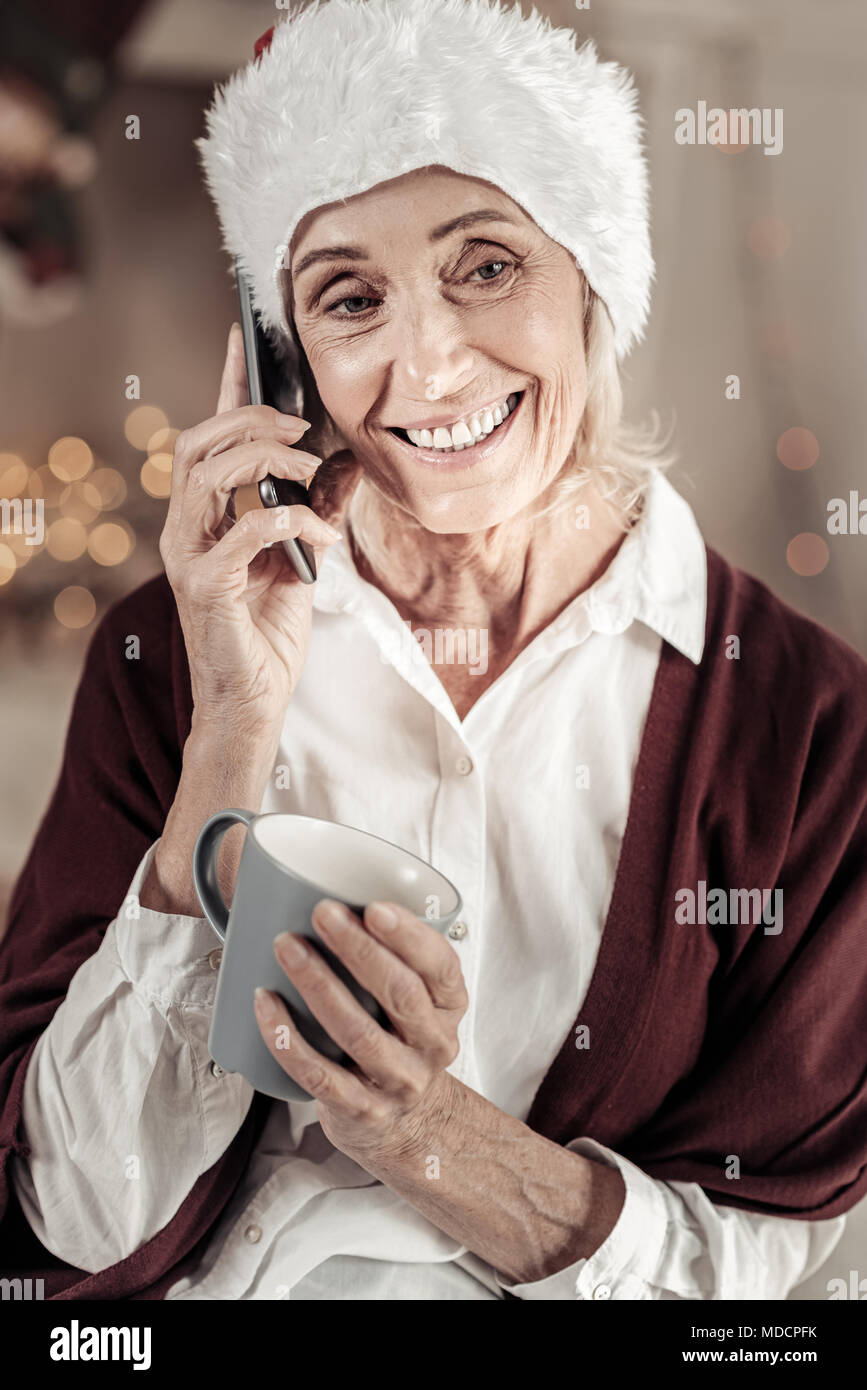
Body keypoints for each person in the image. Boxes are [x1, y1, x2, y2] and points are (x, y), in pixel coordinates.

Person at [1, 0, 865, 1301]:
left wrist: (423, 1132)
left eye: (487, 266)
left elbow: (754, 1280)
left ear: (595, 278)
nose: (432, 363)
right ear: (284, 355)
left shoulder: (806, 725)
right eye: (351, 297)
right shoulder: (170, 651)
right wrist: (230, 729)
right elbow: (72, 1213)